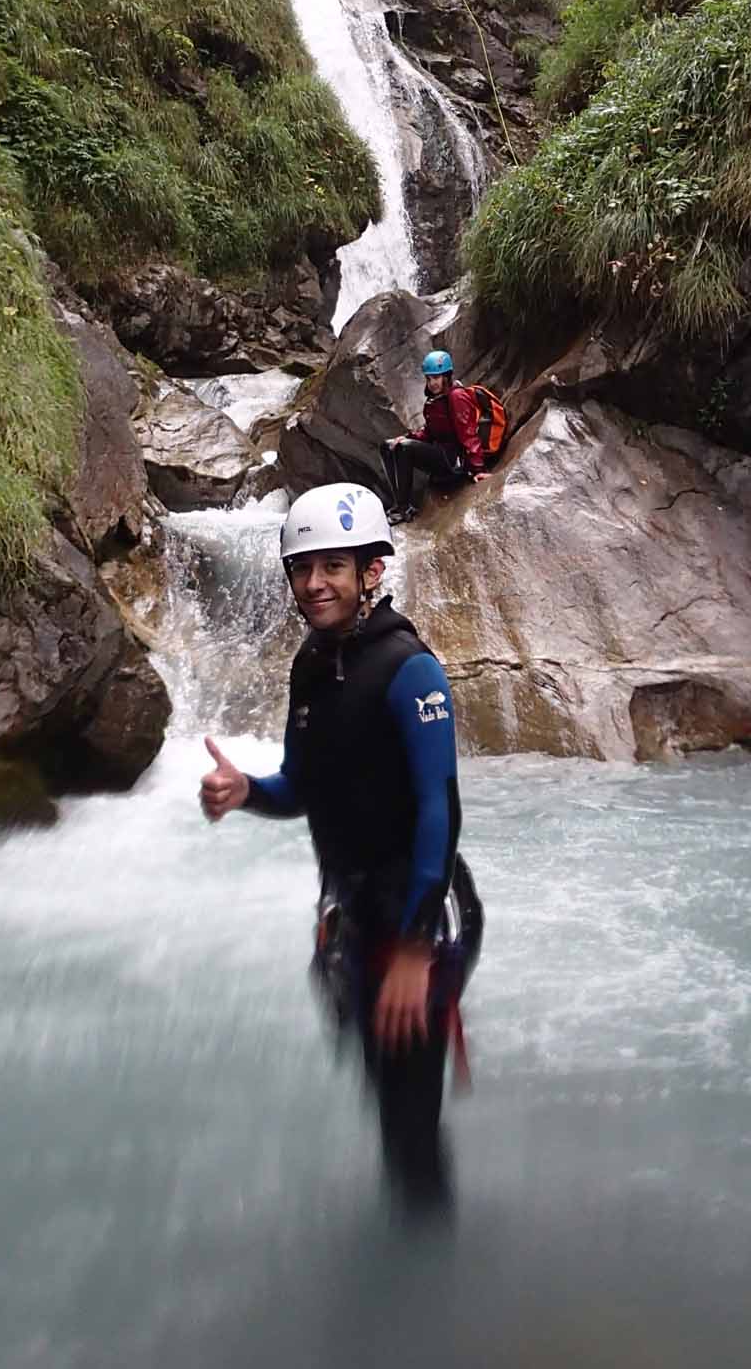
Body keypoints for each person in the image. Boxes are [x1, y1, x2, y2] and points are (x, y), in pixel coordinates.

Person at [199, 482, 481, 1216]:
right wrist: (246, 792)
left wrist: (415, 951)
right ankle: (417, 1234)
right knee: (387, 1093)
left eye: (332, 566)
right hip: (356, 912)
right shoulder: (312, 666)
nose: (314, 583)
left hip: (420, 915)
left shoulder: (409, 669)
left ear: (371, 572)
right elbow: (301, 786)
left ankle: (427, 1248)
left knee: (408, 1119)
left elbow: (440, 810)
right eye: (302, 568)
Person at [380, 349, 488, 526]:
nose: (432, 383)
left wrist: (478, 469)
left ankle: (402, 509)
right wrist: (406, 437)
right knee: (388, 446)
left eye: (436, 378)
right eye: (429, 378)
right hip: (441, 453)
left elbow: (468, 433)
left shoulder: (457, 396)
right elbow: (429, 432)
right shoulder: (435, 400)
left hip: (454, 461)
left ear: (446, 376)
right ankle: (399, 503)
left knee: (405, 448)